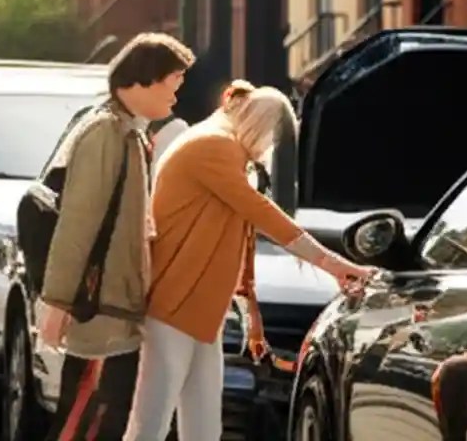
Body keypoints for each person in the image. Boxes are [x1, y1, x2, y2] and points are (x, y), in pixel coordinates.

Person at [124, 81, 374, 441]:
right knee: (153, 422)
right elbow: (262, 215)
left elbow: (241, 233)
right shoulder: (215, 146)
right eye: (270, 140)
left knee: (199, 426)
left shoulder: (215, 144)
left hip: (194, 309)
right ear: (259, 125)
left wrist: (251, 315)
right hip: (176, 306)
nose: (268, 150)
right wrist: (335, 264)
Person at [38, 32, 195, 441]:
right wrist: (57, 303)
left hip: (118, 309)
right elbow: (79, 221)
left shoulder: (130, 133)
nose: (175, 99)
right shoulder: (105, 134)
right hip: (100, 308)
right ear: (142, 81)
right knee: (87, 416)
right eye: (171, 86)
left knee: (105, 418)